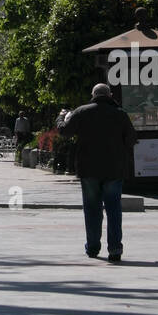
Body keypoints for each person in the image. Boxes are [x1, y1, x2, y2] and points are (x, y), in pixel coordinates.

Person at [57, 84, 136, 262]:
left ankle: (93, 247)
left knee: (92, 209)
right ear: (110, 95)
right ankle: (115, 249)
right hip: (115, 169)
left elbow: (64, 131)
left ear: (93, 95)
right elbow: (131, 139)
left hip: (89, 168)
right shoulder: (120, 114)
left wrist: (61, 117)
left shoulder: (81, 112)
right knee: (114, 208)